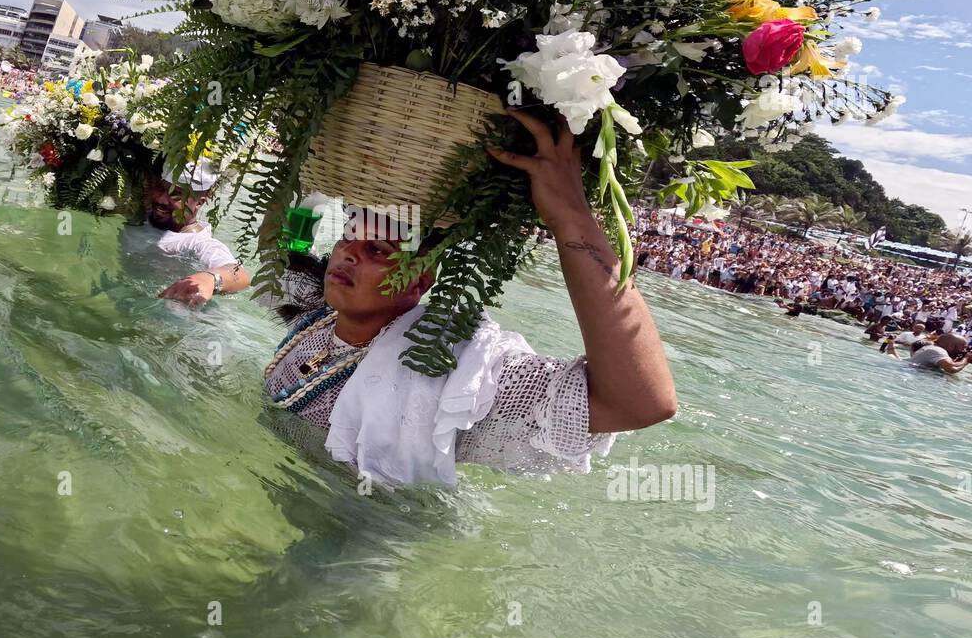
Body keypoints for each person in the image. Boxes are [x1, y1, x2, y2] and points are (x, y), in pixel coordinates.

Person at [262, 107, 677, 487]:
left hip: (360, 543)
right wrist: (308, 140)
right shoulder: (315, 309)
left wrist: (570, 216)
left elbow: (640, 404)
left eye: (378, 251)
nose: (349, 252)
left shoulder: (454, 370)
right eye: (347, 238)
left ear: (421, 281)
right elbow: (278, 245)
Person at [127, 159, 251, 306]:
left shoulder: (197, 243)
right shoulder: (142, 213)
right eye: (161, 188)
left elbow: (239, 274)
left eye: (176, 195)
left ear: (199, 203)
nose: (161, 199)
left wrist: (208, 279)